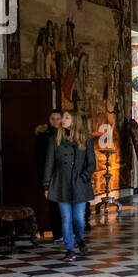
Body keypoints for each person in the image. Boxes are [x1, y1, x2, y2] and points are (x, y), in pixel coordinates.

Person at [43, 110, 96, 262]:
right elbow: (49, 164)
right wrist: (46, 186)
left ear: (75, 120)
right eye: (63, 118)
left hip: (79, 184)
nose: (63, 120)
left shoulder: (85, 140)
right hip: (61, 183)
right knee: (66, 218)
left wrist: (83, 177)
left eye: (67, 117)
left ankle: (79, 239)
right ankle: (69, 249)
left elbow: (91, 163)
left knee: (78, 218)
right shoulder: (55, 140)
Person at [34, 109, 63, 240]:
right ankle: (57, 233)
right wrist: (44, 178)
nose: (55, 121)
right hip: (50, 174)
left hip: (64, 174)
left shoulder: (66, 134)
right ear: (49, 120)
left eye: (58, 118)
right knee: (54, 205)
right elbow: (40, 158)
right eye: (53, 118)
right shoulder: (43, 136)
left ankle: (66, 231)